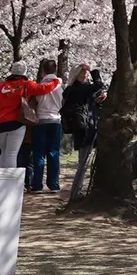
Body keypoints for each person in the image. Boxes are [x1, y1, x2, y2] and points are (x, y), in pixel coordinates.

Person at [23, 57, 65, 194]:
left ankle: (37, 185)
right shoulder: (60, 85)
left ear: (43, 71)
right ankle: (54, 184)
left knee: (39, 154)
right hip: (55, 120)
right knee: (54, 153)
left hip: (40, 121)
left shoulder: (39, 86)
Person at [62, 64, 99, 198]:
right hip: (86, 128)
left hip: (79, 127)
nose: (86, 76)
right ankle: (76, 192)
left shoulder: (70, 90)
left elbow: (83, 103)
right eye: (84, 74)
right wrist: (94, 71)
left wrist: (94, 101)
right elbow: (98, 85)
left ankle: (77, 190)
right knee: (83, 163)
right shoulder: (81, 88)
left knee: (83, 162)